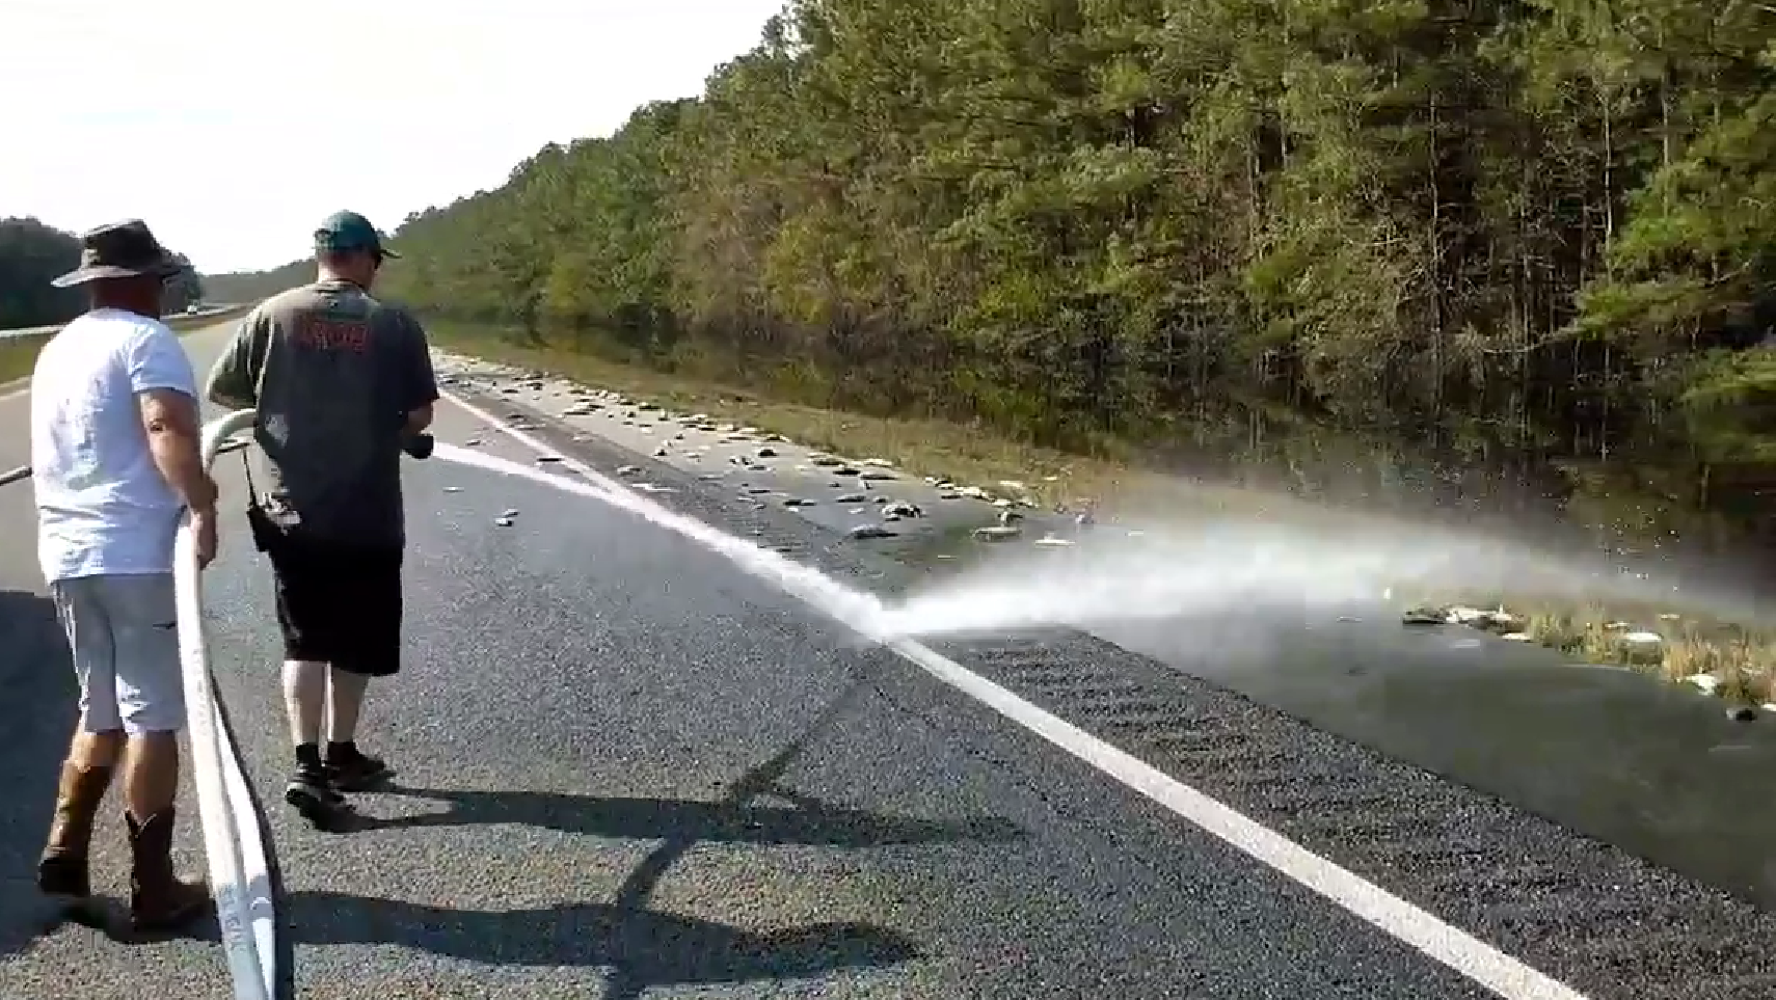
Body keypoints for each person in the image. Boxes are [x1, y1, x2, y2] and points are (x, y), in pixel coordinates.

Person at [205, 210, 438, 831]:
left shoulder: (271, 314)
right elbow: (419, 415)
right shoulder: (392, 324)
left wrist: (286, 402)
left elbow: (225, 392)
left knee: (304, 637)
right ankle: (340, 752)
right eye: (377, 261)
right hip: (367, 511)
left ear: (322, 256)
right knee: (358, 636)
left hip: (292, 511)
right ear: (364, 259)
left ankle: (310, 763)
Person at [30, 219, 217, 930]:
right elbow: (164, 425)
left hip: (67, 552)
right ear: (144, 282)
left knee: (99, 707)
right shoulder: (147, 340)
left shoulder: (57, 349)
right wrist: (201, 503)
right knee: (152, 716)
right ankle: (154, 885)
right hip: (133, 551)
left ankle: (66, 846)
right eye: (160, 282)